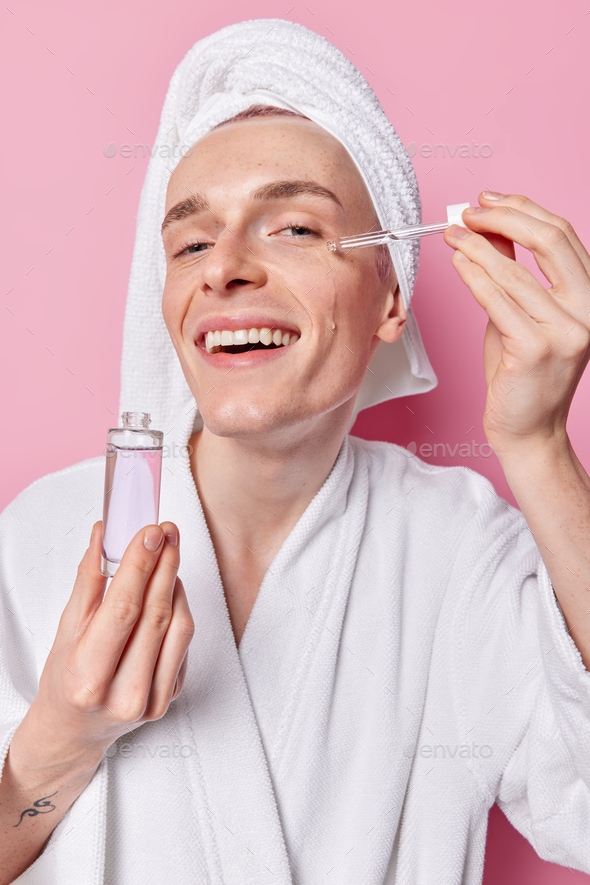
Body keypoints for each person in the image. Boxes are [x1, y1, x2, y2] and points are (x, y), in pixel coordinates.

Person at [1, 18, 590, 885]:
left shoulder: (460, 548)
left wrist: (540, 447)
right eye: (191, 242)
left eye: (296, 230)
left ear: (393, 294)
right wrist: (55, 745)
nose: (223, 268)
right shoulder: (42, 534)